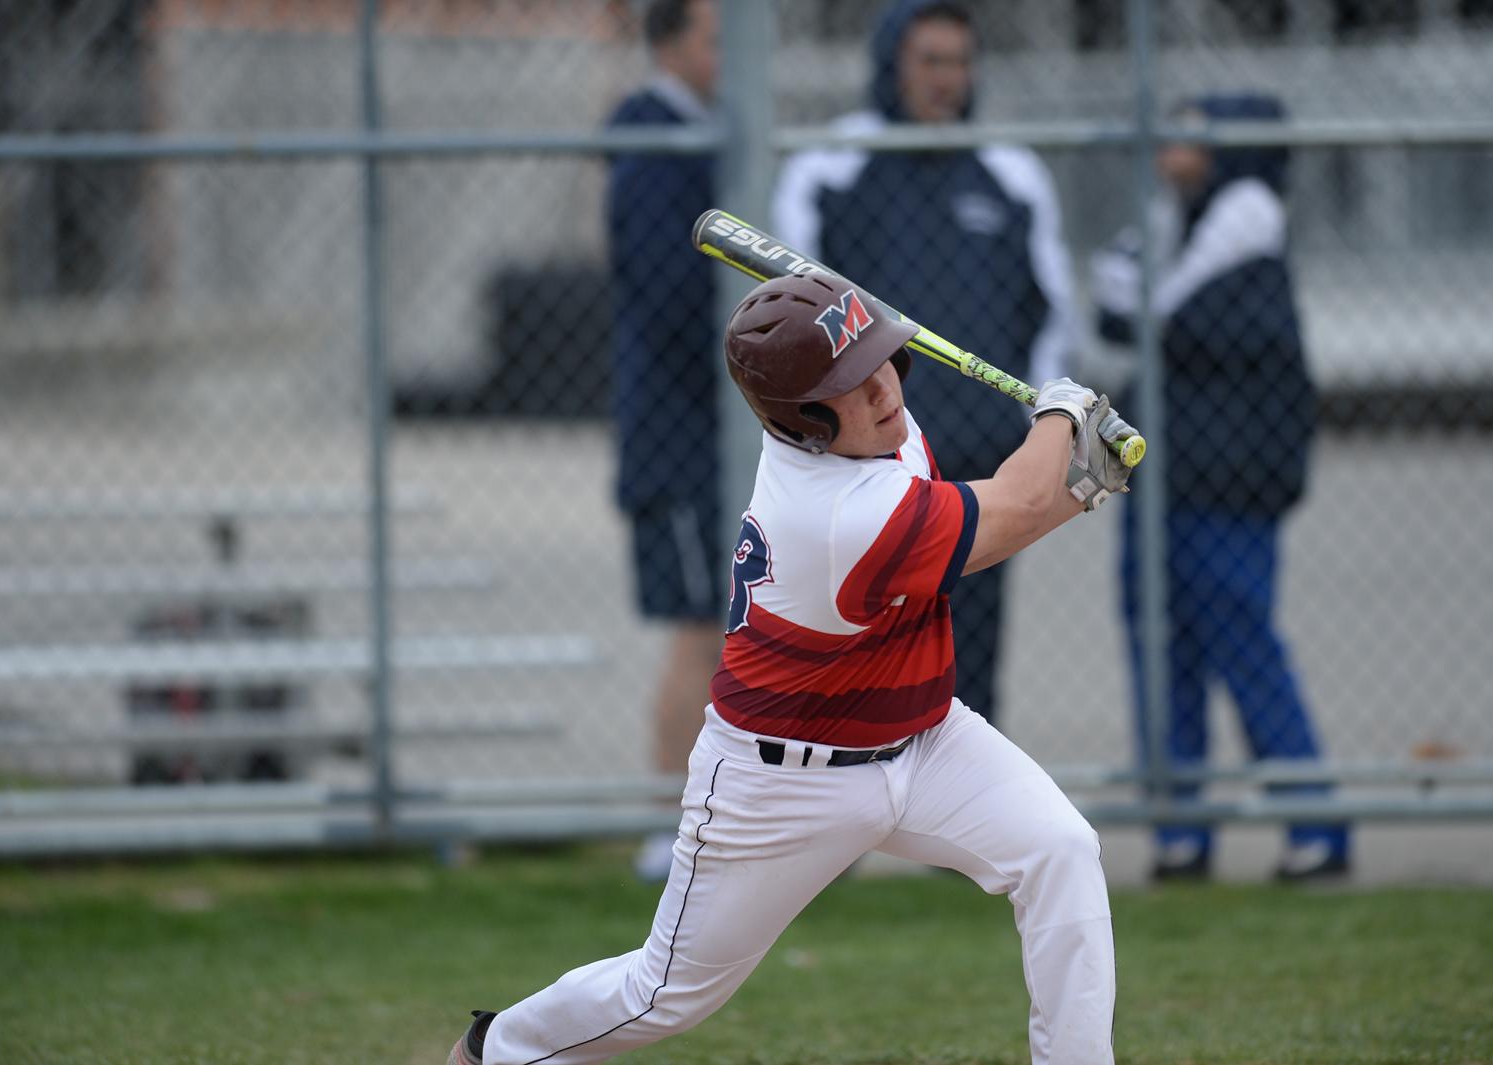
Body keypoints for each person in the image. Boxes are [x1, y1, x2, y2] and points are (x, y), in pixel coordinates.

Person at [447, 273, 1139, 1065]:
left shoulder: (875, 434)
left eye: (881, 360)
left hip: (925, 739)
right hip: (779, 782)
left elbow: (971, 536)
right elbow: (1008, 505)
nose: (884, 390)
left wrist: (1077, 486)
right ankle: (495, 1049)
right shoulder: (837, 514)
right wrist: (1061, 410)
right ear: (804, 420)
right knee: (663, 993)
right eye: (850, 382)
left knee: (1059, 849)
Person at [771, 0, 1081, 727]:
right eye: (930, 61)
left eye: (960, 61)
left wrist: (1028, 425)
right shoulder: (830, 165)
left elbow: (1051, 313)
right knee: (846, 658)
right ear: (892, 65)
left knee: (970, 670)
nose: (948, 79)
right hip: (861, 469)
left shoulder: (1012, 173)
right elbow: (794, 314)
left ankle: (961, 838)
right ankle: (837, 830)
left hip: (973, 468)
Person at [1089, 93, 1350, 882]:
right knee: (1159, 641)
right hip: (1163, 482)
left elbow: (1163, 319)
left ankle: (1316, 824)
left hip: (1223, 492)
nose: (1171, 146)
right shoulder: (1181, 225)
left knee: (1243, 643)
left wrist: (1141, 294)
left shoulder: (1246, 230)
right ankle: (1182, 826)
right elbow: (1114, 316)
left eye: (1194, 133)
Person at [603, 0, 725, 881]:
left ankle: (726, 818)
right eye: (719, 36)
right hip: (679, 437)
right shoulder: (654, 144)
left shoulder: (711, 135)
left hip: (715, 436)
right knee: (702, 626)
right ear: (672, 42)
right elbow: (672, 294)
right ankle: (668, 825)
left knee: (734, 624)